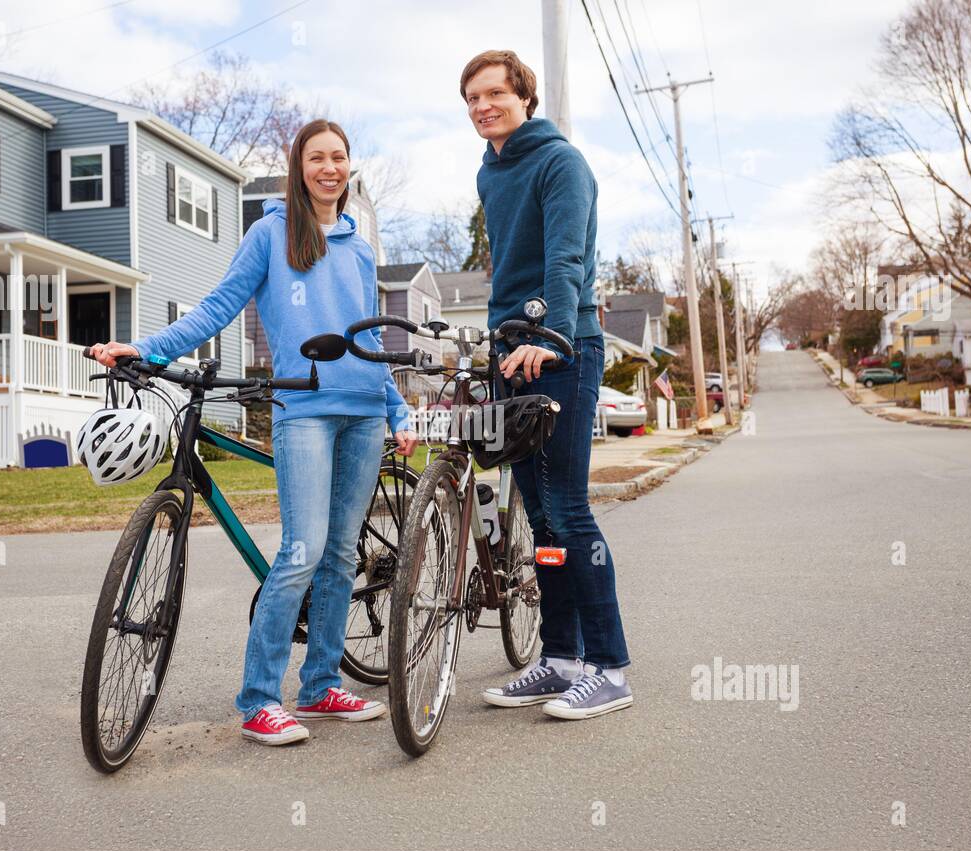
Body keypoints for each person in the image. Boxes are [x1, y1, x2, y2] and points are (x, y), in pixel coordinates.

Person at [89, 119, 418, 746]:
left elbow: (370, 339)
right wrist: (150, 350)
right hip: (306, 410)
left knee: (342, 556)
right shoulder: (270, 235)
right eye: (317, 158)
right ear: (299, 167)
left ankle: (320, 687)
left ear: (349, 167)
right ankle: (259, 700)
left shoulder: (360, 245)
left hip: (366, 413)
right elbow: (219, 306)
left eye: (339, 158)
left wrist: (397, 410)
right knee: (303, 552)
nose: (329, 168)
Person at [460, 50, 632, 720]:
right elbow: (506, 261)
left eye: (495, 93)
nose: (483, 106)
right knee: (539, 517)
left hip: (563, 348)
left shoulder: (562, 163)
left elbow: (565, 260)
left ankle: (609, 666)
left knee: (568, 509)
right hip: (511, 353)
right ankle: (560, 659)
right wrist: (505, 337)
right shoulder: (489, 171)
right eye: (472, 97)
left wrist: (550, 336)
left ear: (525, 96)